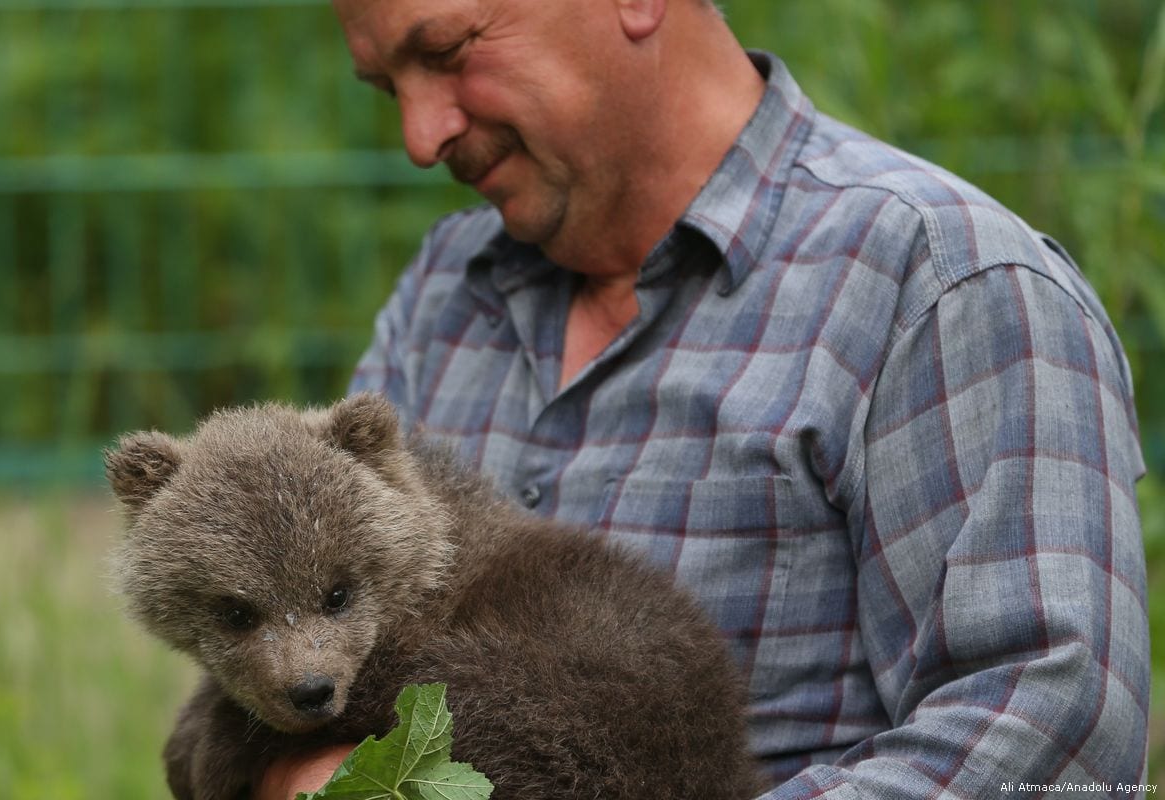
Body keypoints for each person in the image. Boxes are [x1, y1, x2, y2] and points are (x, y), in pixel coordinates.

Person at [255, 0, 1150, 797]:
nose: (420, 135)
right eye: (386, 89)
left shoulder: (941, 281)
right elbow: (299, 644)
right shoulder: (441, 295)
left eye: (447, 50)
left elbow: (1062, 736)